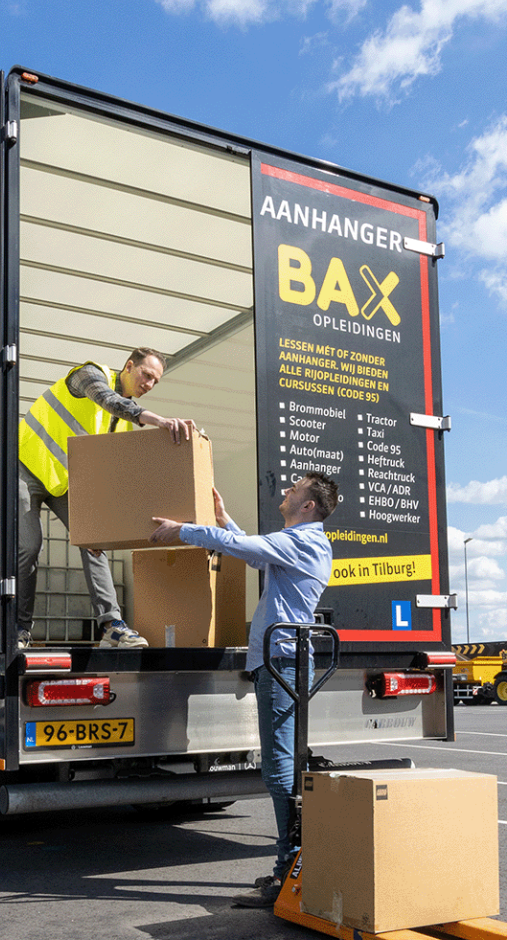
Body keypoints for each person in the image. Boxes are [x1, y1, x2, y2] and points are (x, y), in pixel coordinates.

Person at [150, 471, 339, 907]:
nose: (287, 491)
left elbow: (244, 548)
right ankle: (294, 869)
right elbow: (255, 555)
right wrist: (224, 521)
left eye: (296, 489)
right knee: (282, 767)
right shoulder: (296, 545)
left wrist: (185, 531)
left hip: (284, 665)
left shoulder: (305, 542)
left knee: (279, 770)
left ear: (309, 505)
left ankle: (289, 873)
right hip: (282, 663)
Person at [18, 348, 196, 648]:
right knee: (29, 544)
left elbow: (111, 477)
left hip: (61, 483)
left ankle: (112, 626)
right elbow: (107, 399)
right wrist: (155, 419)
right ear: (129, 366)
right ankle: (19, 629)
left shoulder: (125, 423)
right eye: (146, 375)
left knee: (94, 542)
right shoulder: (88, 374)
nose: (149, 385)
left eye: (155, 381)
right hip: (26, 465)